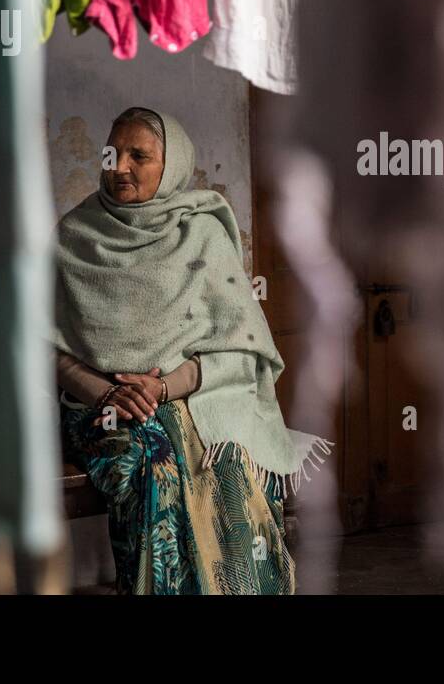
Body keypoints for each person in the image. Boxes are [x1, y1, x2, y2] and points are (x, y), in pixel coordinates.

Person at [53, 106, 331, 594]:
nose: (120, 167)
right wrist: (106, 395)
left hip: (183, 398)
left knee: (232, 462)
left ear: (172, 166)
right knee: (153, 465)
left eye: (139, 156)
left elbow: (242, 350)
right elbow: (44, 346)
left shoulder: (201, 234)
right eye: (113, 153)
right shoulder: (73, 237)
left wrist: (162, 387)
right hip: (98, 410)